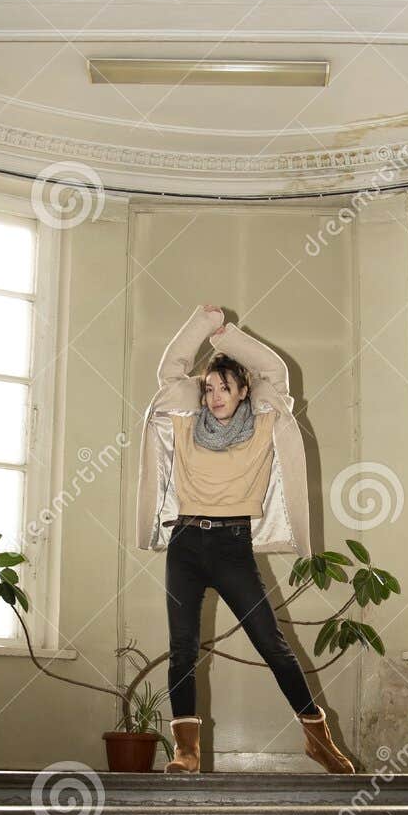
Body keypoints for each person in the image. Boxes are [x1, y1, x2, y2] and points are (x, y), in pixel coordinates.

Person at [135, 302, 355, 774]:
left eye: (223, 387)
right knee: (182, 649)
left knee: (271, 644)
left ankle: (317, 736)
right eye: (208, 387)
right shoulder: (185, 420)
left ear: (243, 390)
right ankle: (186, 752)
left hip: (233, 548)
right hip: (187, 547)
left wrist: (224, 337)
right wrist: (201, 324)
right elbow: (170, 370)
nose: (213, 395)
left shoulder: (263, 422)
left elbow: (273, 369)